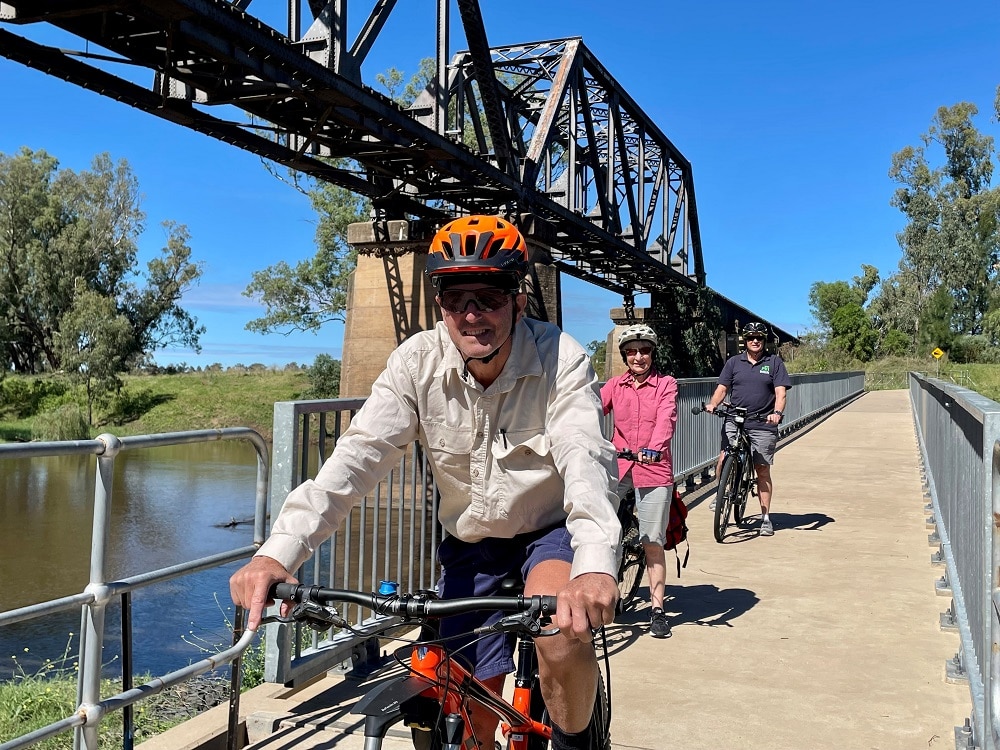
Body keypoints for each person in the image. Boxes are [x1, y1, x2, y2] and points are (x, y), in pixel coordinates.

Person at [229, 215, 621, 750]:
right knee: (459, 704)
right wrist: (277, 556)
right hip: (470, 543)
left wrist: (595, 568)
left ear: (520, 301)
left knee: (558, 630)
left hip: (548, 531)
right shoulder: (415, 362)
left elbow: (586, 459)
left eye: (490, 296)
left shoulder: (561, 358)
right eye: (456, 297)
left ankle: (579, 741)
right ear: (439, 304)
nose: (472, 313)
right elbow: (355, 459)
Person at [600, 324, 678, 638]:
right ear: (624, 355)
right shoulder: (615, 386)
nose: (638, 357)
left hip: (653, 468)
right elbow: (591, 409)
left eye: (644, 350)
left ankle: (658, 610)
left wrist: (654, 448)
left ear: (652, 353)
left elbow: (666, 418)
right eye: (631, 351)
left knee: (652, 541)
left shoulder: (666, 384)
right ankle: (604, 596)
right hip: (618, 466)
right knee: (602, 532)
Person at [705, 321, 791, 536]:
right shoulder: (734, 362)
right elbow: (722, 388)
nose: (755, 341)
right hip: (735, 418)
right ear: (745, 340)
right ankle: (722, 491)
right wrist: (713, 404)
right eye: (751, 337)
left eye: (759, 338)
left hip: (763, 422)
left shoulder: (774, 363)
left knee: (762, 469)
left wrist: (777, 413)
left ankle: (765, 519)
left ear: (764, 341)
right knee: (724, 457)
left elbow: (781, 393)